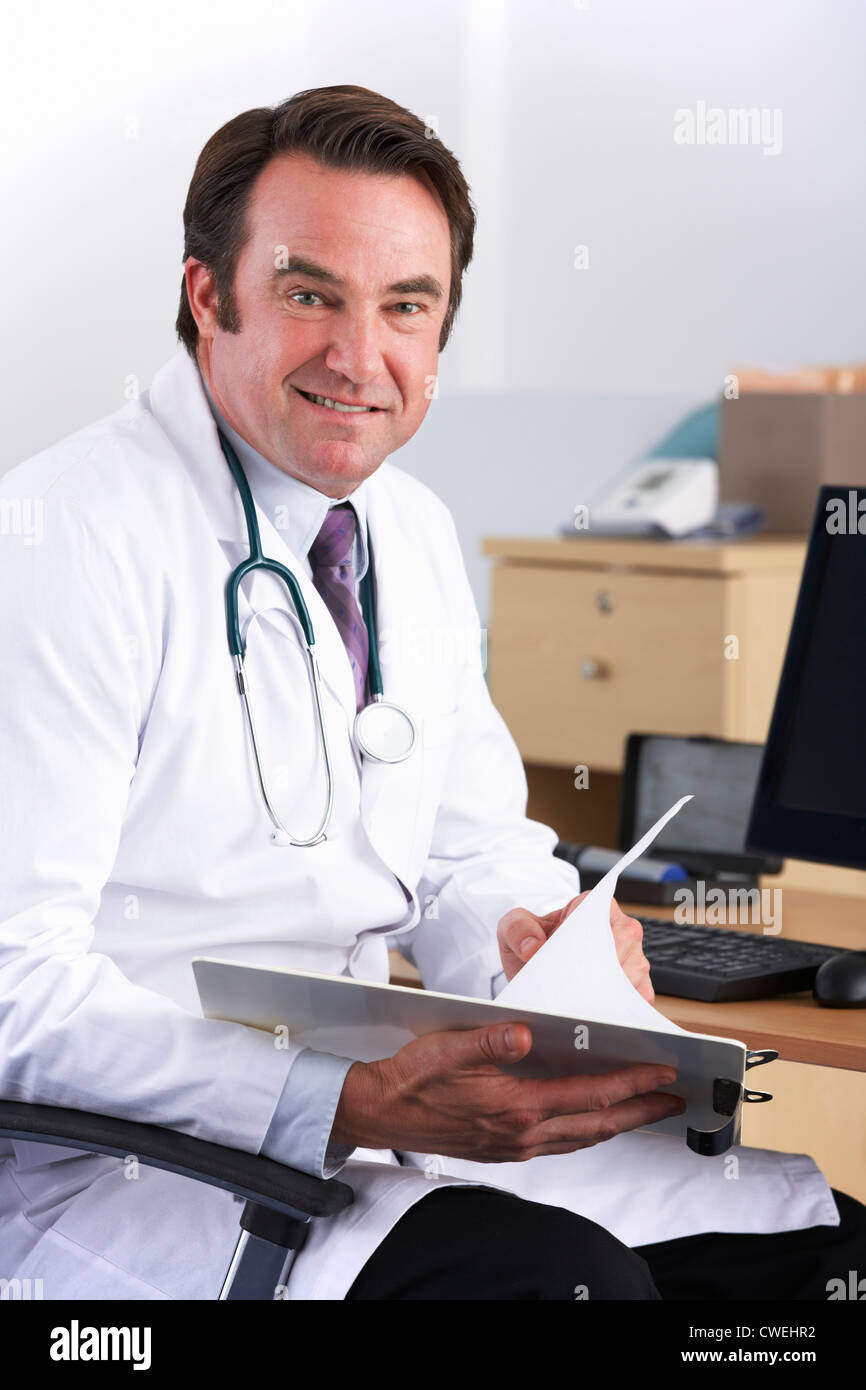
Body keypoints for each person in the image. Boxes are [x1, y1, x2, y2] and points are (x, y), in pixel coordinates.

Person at [0, 85, 861, 1301]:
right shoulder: (59, 540)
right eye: (310, 294)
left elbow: (469, 855)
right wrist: (337, 1094)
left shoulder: (403, 530)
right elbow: (13, 989)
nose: (361, 357)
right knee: (563, 1290)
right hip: (129, 1176)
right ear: (210, 296)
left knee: (826, 1266)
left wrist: (534, 946)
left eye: (407, 307)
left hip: (380, 1127)